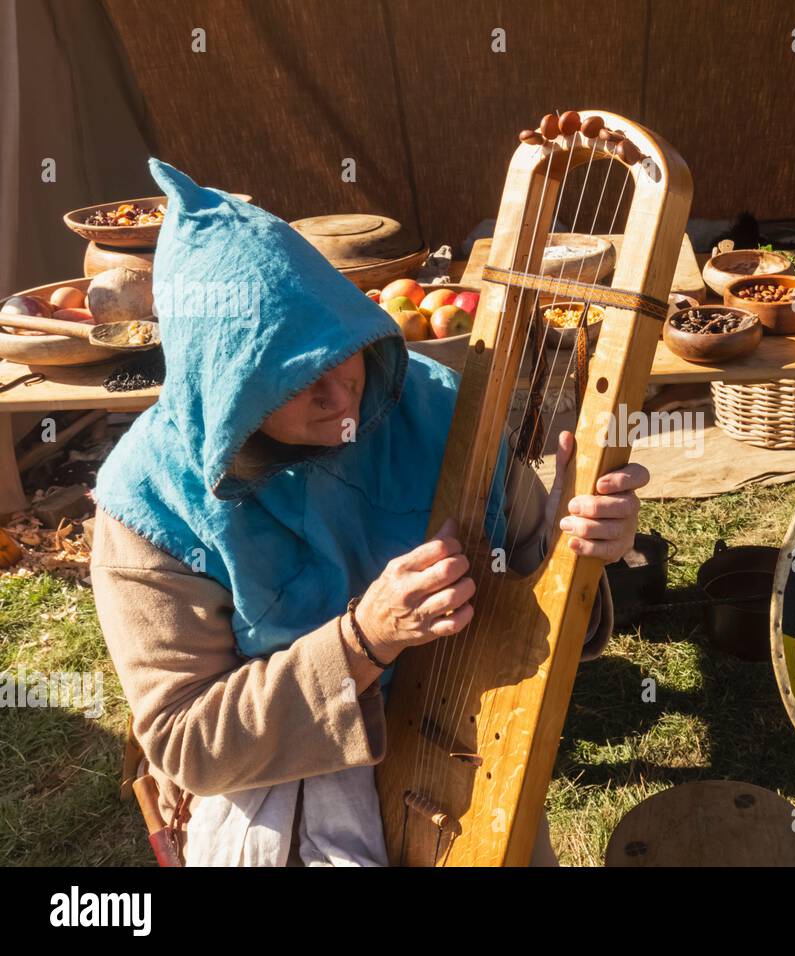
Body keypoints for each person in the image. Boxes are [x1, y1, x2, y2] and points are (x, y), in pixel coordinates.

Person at [91, 161, 647, 866]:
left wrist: (584, 543)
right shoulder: (148, 504)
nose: (339, 393)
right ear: (227, 394)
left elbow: (540, 582)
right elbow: (187, 740)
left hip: (461, 740)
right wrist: (362, 641)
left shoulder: (438, 407)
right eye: (292, 381)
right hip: (281, 778)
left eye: (339, 352)